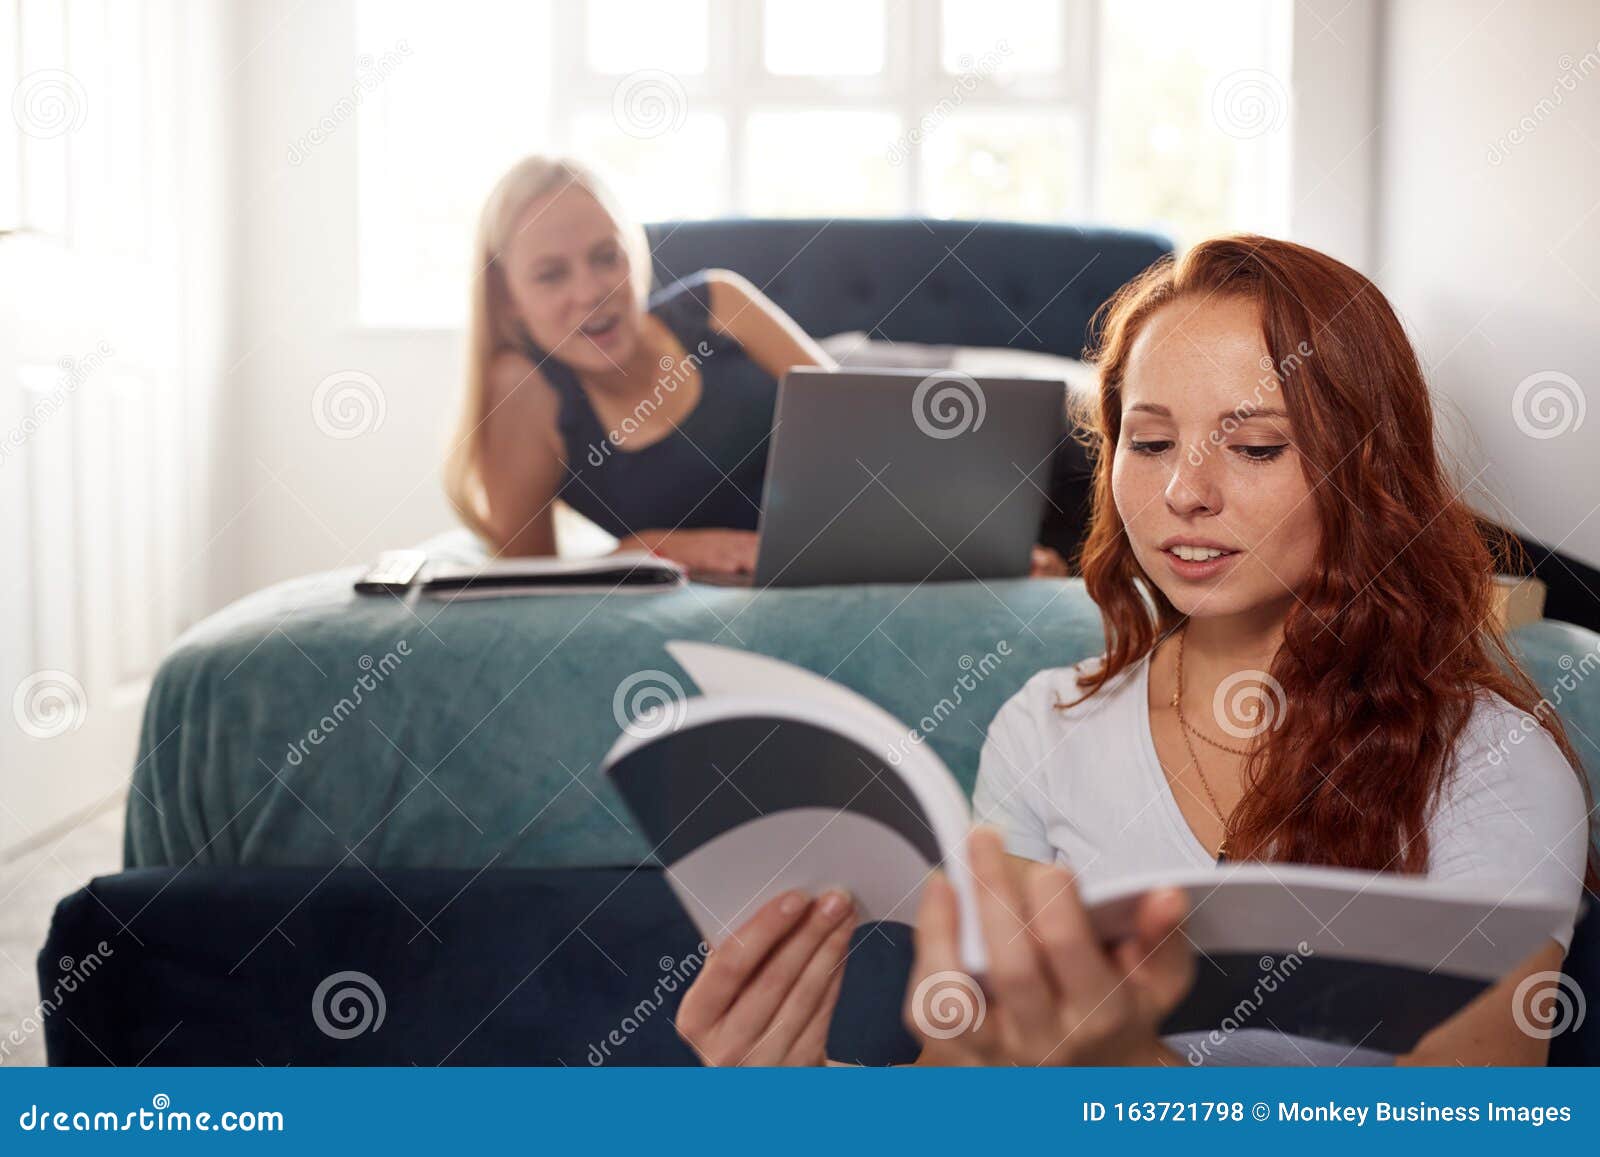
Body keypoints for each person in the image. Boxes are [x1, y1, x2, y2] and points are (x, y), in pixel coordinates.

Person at [673, 235, 1597, 1066]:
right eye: (1150, 441)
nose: (1186, 490)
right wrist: (796, 1089)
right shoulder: (1045, 727)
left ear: (1366, 468)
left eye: (1258, 446)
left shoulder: (1489, 766)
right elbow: (960, 1094)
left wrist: (1121, 1072)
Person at [443, 156, 834, 579]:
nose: (590, 291)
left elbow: (864, 421)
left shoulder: (720, 302)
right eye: (551, 275)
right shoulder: (523, 392)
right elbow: (530, 585)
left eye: (607, 257)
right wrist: (641, 550)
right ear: (508, 301)